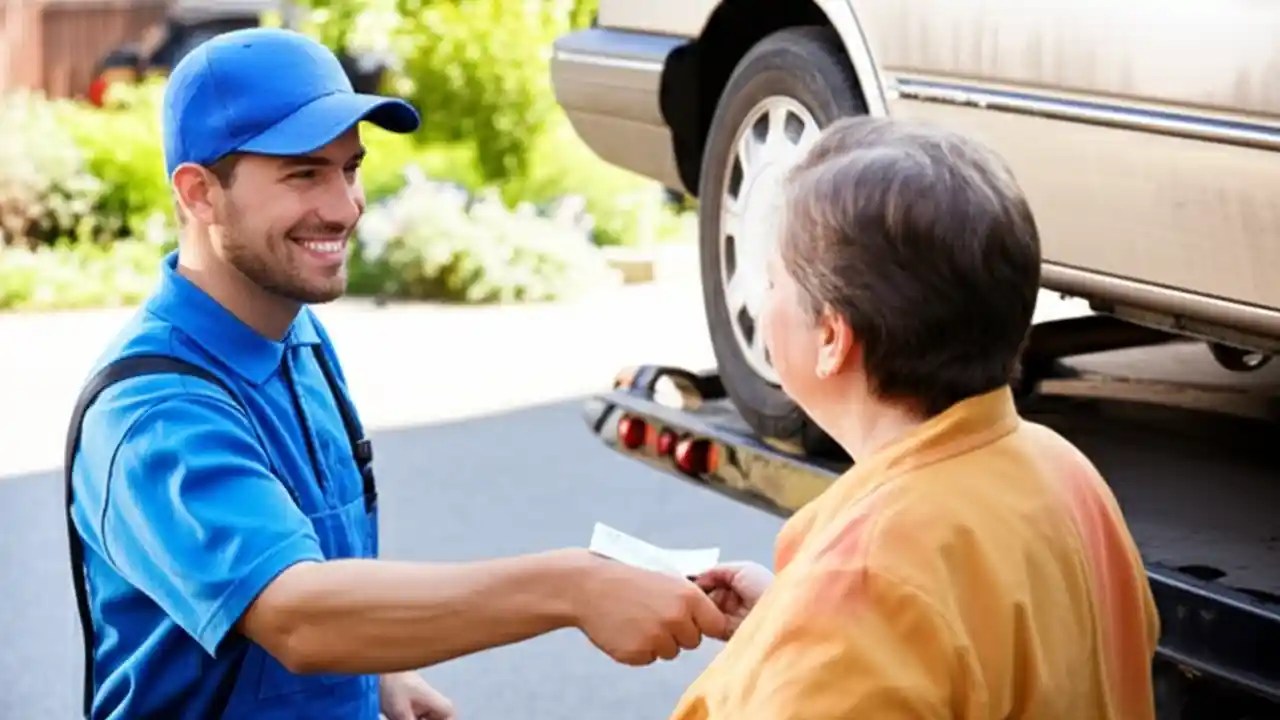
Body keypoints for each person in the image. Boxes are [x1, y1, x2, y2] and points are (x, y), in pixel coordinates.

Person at [64, 27, 725, 720]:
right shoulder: (155, 411)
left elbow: (311, 570)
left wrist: (376, 675)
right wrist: (571, 587)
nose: (345, 207)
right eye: (303, 174)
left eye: (349, 169)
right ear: (199, 193)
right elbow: (297, 616)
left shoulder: (296, 334)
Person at [670, 117, 1161, 719]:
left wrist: (818, 630)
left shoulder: (867, 582)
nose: (763, 302)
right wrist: (785, 625)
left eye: (773, 281)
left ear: (831, 338)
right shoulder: (1064, 471)